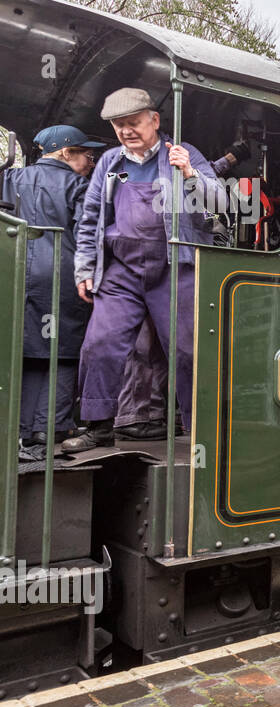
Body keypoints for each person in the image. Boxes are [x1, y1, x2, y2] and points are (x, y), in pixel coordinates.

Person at [65, 88, 221, 452]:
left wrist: (189, 172)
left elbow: (221, 203)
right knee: (100, 343)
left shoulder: (185, 154)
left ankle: (199, 428)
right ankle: (99, 426)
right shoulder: (108, 163)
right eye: (119, 126)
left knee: (188, 350)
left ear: (155, 120)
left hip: (175, 265)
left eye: (133, 123)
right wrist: (85, 268)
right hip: (122, 269)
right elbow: (90, 219)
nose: (126, 131)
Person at [112, 139, 251, 442]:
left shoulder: (177, 165)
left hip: (156, 263)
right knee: (169, 344)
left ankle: (149, 415)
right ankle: (156, 416)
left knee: (161, 345)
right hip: (169, 262)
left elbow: (207, 177)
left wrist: (228, 158)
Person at [0, 125, 103, 459]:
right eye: (87, 155)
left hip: (14, 273)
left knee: (28, 350)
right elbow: (93, 235)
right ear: (64, 152)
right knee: (65, 350)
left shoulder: (10, 180)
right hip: (62, 275)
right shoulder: (79, 186)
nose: (91, 161)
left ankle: (22, 429)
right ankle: (51, 428)